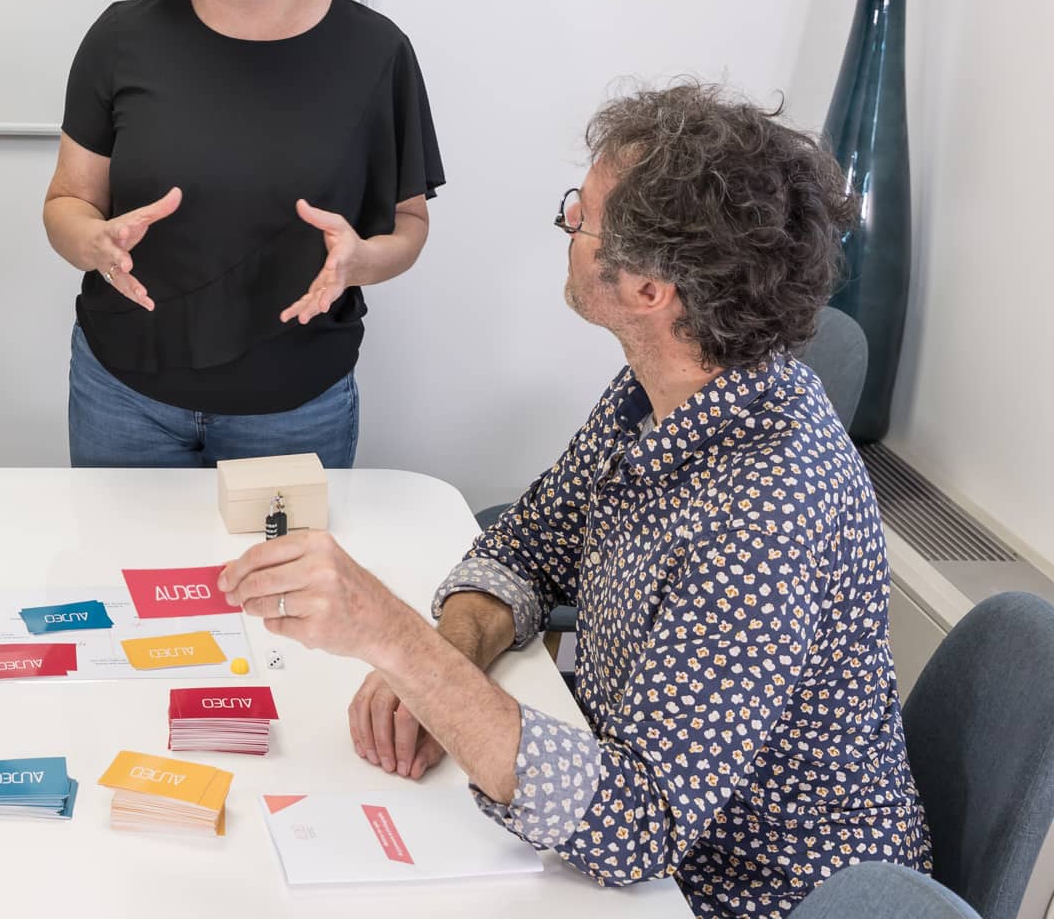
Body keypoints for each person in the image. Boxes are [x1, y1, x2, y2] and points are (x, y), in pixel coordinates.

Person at [219, 83, 931, 919]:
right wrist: (448, 659)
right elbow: (528, 544)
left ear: (650, 291)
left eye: (581, 217)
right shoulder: (659, 392)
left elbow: (636, 825)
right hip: (642, 849)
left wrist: (398, 642)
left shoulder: (767, 511)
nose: (566, 229)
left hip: (745, 895)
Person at [42, 0, 445, 469]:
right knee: (116, 575)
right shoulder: (121, 39)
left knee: (283, 582)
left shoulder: (376, 53)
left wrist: (362, 261)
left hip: (295, 404)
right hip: (124, 395)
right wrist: (92, 242)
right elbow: (67, 202)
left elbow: (408, 225)